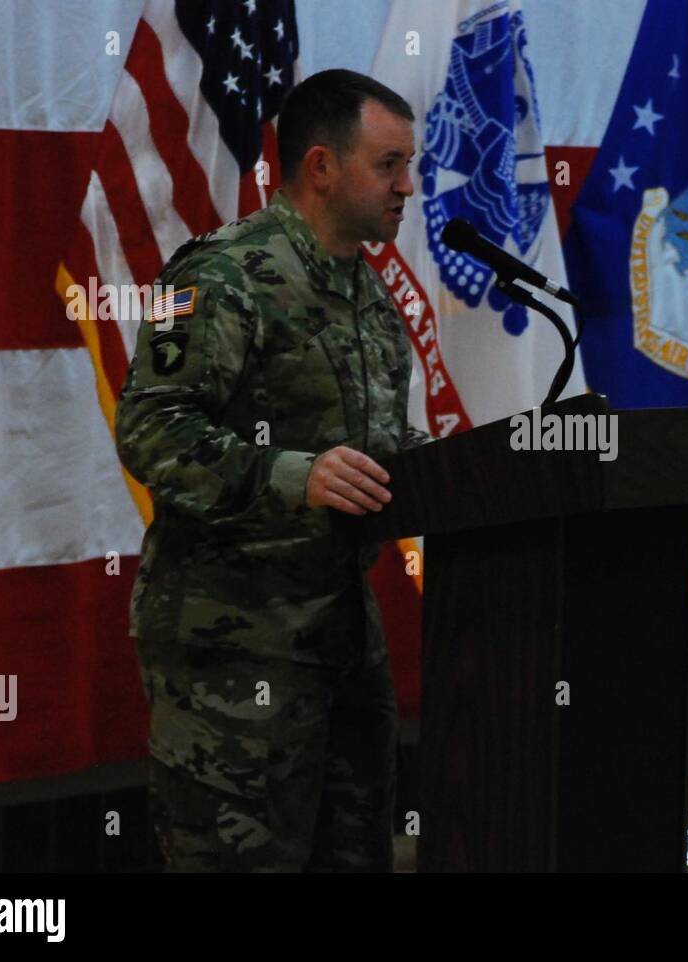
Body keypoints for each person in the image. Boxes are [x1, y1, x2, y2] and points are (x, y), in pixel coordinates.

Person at [115, 69, 430, 872]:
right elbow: (150, 429)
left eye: (409, 165)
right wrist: (293, 476)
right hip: (234, 653)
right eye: (389, 165)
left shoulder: (368, 295)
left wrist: (472, 469)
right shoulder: (213, 276)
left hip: (342, 643)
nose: (408, 186)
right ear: (321, 166)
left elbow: (379, 447)